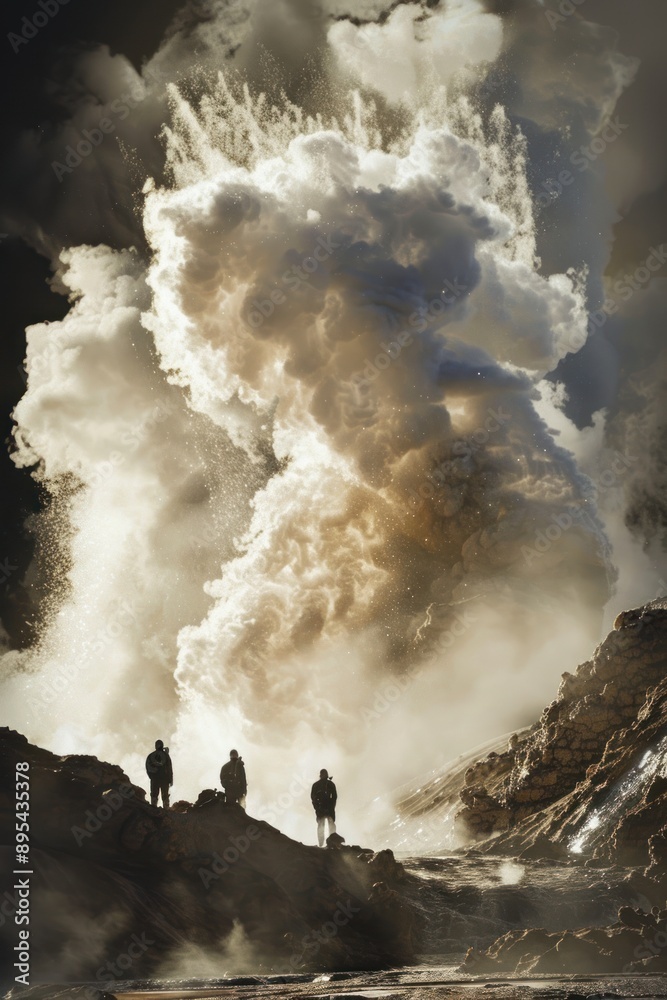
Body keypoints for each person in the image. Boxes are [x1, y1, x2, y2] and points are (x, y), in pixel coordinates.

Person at [311, 768, 337, 847]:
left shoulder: (329, 784)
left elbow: (334, 796)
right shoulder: (325, 784)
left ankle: (331, 843)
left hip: (326, 808)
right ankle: (322, 844)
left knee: (329, 825)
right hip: (322, 808)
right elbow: (313, 798)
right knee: (322, 826)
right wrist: (317, 807)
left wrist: (332, 806)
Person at [145, 739, 172, 808]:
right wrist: (170, 779)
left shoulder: (151, 756)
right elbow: (169, 768)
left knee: (154, 795)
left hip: (155, 779)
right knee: (165, 795)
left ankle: (154, 808)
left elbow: (148, 768)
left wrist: (152, 777)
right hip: (164, 779)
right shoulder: (165, 755)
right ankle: (166, 809)